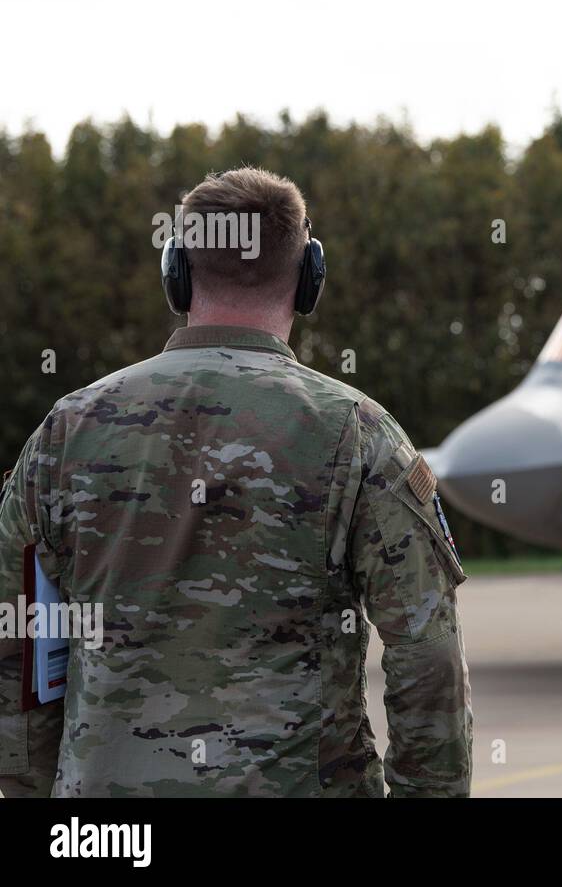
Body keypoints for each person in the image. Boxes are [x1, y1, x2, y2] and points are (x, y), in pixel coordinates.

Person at [0, 168, 471, 797]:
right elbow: (426, 652)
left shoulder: (67, 430)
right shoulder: (357, 433)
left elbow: (20, 641)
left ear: (178, 273)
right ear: (310, 277)